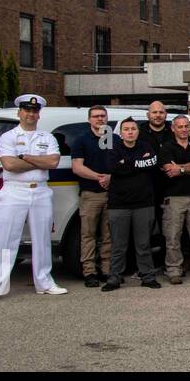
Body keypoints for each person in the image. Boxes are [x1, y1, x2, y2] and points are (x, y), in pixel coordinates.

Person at [0, 94, 67, 304]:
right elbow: (10, 165)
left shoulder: (47, 138)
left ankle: (44, 282)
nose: (31, 114)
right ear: (19, 112)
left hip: (41, 191)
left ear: (39, 114)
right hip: (14, 191)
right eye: (27, 110)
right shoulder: (8, 137)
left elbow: (53, 162)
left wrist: (25, 157)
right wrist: (39, 161)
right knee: (5, 239)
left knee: (42, 240)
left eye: (35, 111)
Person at [103, 118, 162, 292]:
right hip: (119, 204)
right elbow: (113, 167)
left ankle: (148, 276)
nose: (130, 132)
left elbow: (152, 163)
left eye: (133, 129)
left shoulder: (146, 147)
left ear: (138, 131)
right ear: (121, 133)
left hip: (143, 203)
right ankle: (114, 277)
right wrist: (137, 163)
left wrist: (127, 163)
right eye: (126, 129)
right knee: (118, 245)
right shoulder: (114, 149)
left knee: (143, 244)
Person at [158, 114, 190, 284]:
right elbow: (168, 169)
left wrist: (179, 168)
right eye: (179, 127)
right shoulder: (166, 147)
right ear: (173, 128)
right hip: (173, 198)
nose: (183, 129)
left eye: (186, 126)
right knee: (172, 236)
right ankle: (174, 270)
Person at [70, 105, 116, 286]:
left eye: (103, 116)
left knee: (109, 235)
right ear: (89, 119)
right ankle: (89, 272)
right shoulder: (82, 140)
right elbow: (77, 167)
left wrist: (111, 177)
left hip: (112, 194)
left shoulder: (114, 139)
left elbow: (122, 161)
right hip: (91, 194)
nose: (100, 119)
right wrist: (99, 177)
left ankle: (106, 271)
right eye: (96, 116)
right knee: (88, 235)